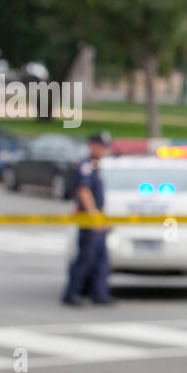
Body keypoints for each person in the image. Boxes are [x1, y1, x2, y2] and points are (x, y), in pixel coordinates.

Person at [62, 131, 113, 306]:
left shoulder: (96, 165)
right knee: (85, 257)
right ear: (92, 145)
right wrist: (93, 216)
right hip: (89, 218)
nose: (104, 150)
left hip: (97, 216)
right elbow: (83, 191)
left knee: (101, 259)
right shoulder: (85, 165)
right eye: (101, 146)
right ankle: (72, 293)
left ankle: (99, 294)